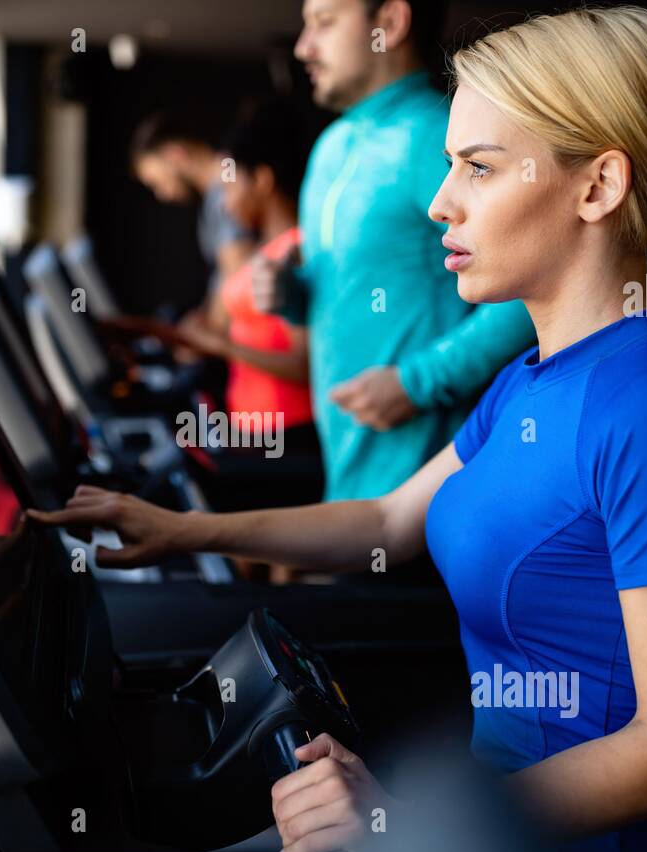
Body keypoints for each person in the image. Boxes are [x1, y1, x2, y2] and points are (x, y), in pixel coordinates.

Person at [30, 5, 647, 852]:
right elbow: (384, 523)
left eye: (478, 170)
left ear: (598, 187)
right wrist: (182, 531)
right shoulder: (527, 380)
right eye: (450, 165)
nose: (442, 202)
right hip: (485, 828)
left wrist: (403, 813)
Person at [252, 0, 534, 503]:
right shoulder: (331, 146)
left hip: (424, 494)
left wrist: (417, 383)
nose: (303, 46)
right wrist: (289, 294)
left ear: (391, 22)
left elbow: (531, 290)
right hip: (346, 480)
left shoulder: (441, 136)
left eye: (324, 22)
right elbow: (342, 297)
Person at [173, 99, 326, 526]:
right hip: (250, 427)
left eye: (231, 186)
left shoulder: (294, 251)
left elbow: (304, 364)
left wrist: (220, 344)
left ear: (262, 180)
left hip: (287, 433)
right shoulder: (259, 251)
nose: (224, 204)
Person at [130, 111, 256, 353]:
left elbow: (236, 275)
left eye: (157, 182)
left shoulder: (227, 189)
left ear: (175, 154)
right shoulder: (218, 190)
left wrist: (205, 336)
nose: (162, 194)